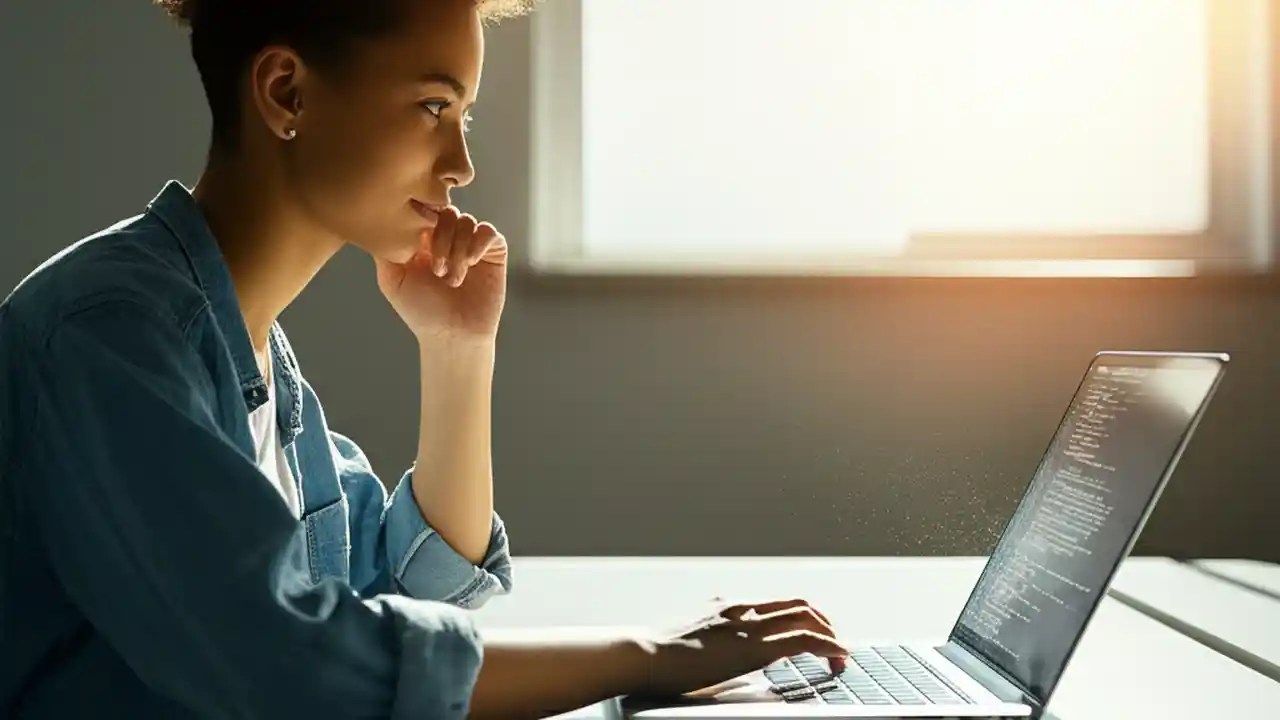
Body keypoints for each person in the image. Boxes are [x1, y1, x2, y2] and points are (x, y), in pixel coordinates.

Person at [0, 0, 850, 717]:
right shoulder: (114, 335)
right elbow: (300, 669)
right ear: (286, 91)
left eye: (465, 116)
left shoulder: (245, 350)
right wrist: (650, 654)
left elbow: (410, 594)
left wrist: (457, 351)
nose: (462, 165)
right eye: (434, 108)